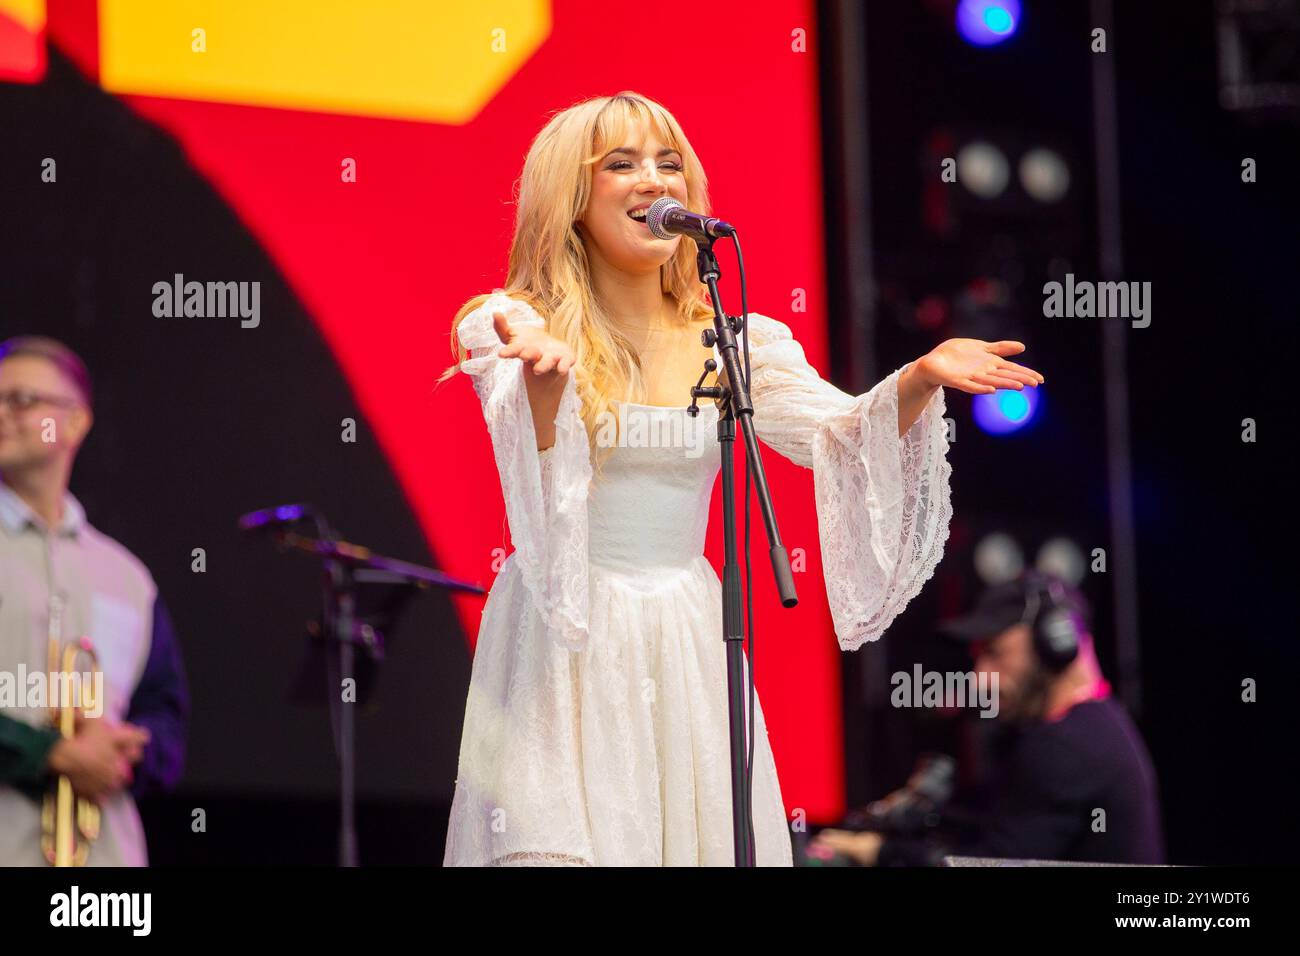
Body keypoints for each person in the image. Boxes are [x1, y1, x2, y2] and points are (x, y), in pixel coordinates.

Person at [438, 91, 1043, 866]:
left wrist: (918, 379)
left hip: (687, 637)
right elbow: (527, 436)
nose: (654, 181)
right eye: (621, 164)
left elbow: (842, 438)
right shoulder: (509, 322)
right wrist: (545, 379)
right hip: (566, 637)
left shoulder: (734, 339)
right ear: (571, 197)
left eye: (670, 164)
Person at [811, 572, 1165, 865]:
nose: (980, 677)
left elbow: (992, 862)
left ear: (1056, 643)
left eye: (995, 654)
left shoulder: (1068, 747)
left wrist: (879, 852)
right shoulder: (1090, 728)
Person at [0, 336, 188, 866]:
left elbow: (164, 717)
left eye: (21, 400)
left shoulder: (125, 575)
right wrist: (50, 754)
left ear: (76, 422)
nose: (3, 414)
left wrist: (124, 753)